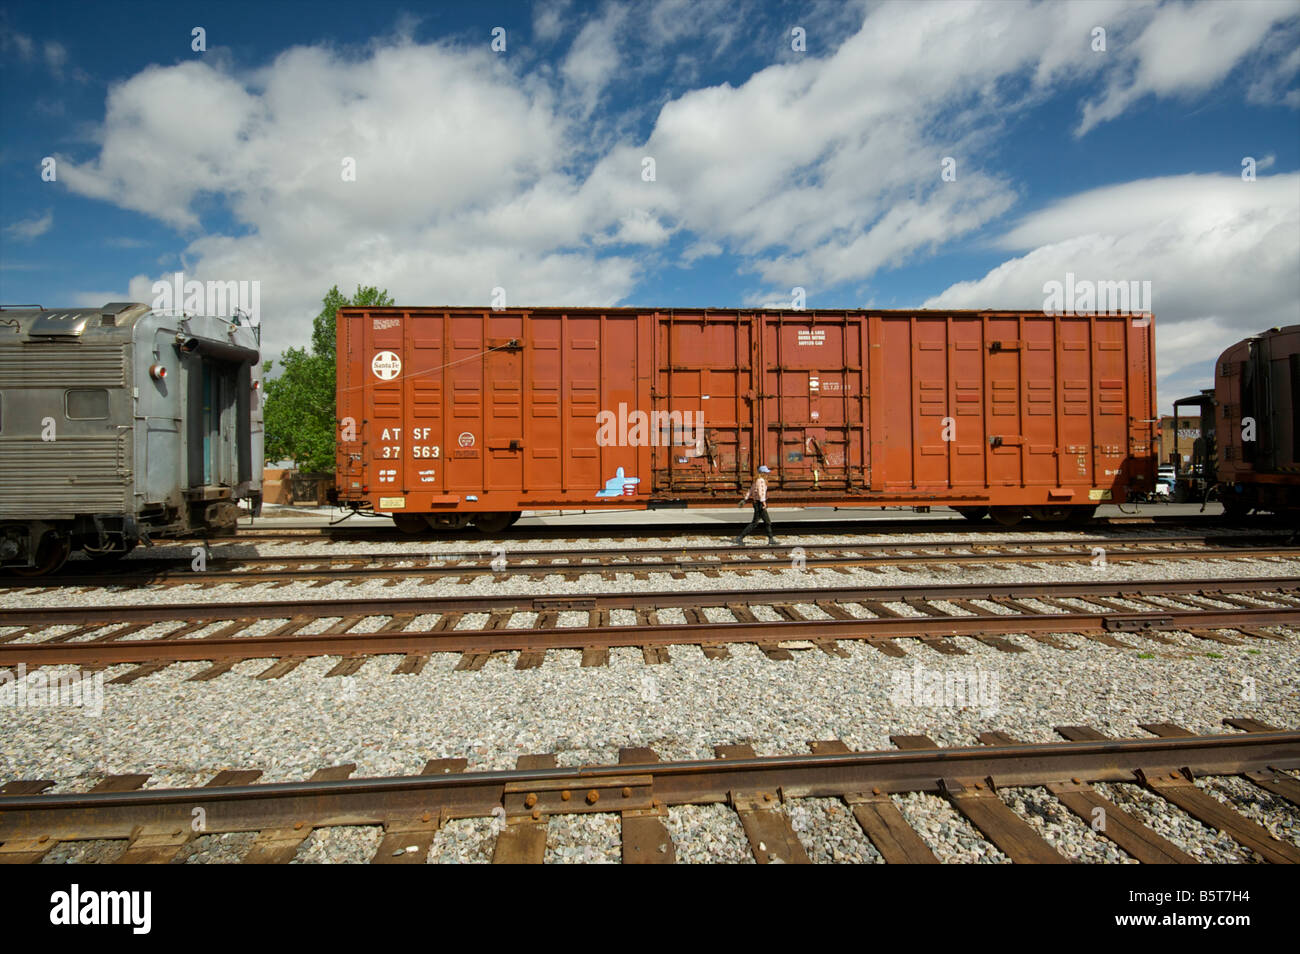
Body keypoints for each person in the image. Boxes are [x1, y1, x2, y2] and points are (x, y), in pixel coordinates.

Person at [736, 465, 777, 545]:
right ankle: (740, 537)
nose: (767, 474)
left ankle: (771, 539)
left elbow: (750, 490)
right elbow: (760, 492)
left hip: (757, 503)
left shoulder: (756, 480)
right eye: (766, 472)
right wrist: (763, 502)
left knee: (764, 522)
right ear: (763, 473)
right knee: (759, 522)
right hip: (759, 503)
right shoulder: (761, 480)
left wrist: (745, 499)